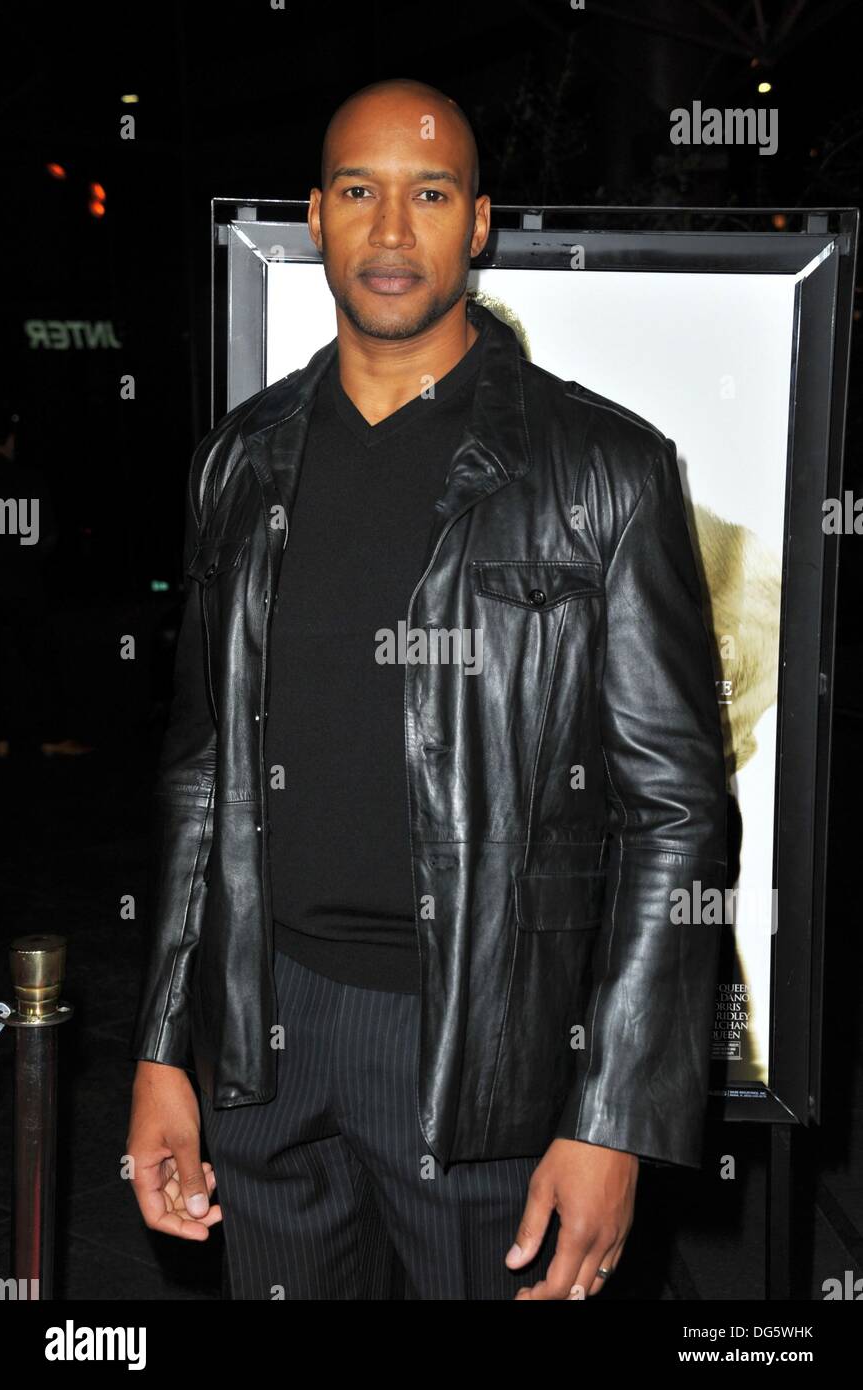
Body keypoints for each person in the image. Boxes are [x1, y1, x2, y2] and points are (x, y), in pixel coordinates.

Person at [126, 77, 727, 1300]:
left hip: (488, 1051)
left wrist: (611, 1110)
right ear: (316, 213)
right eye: (359, 191)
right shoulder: (240, 461)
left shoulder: (602, 469)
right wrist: (163, 1048)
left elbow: (677, 811)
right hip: (263, 1039)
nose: (391, 232)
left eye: (429, 194)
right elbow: (201, 772)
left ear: (480, 222)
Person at [0, 400, 92, 759]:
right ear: (9, 439)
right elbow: (43, 537)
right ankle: (47, 736)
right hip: (21, 587)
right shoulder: (25, 480)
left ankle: (2, 738)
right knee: (35, 663)